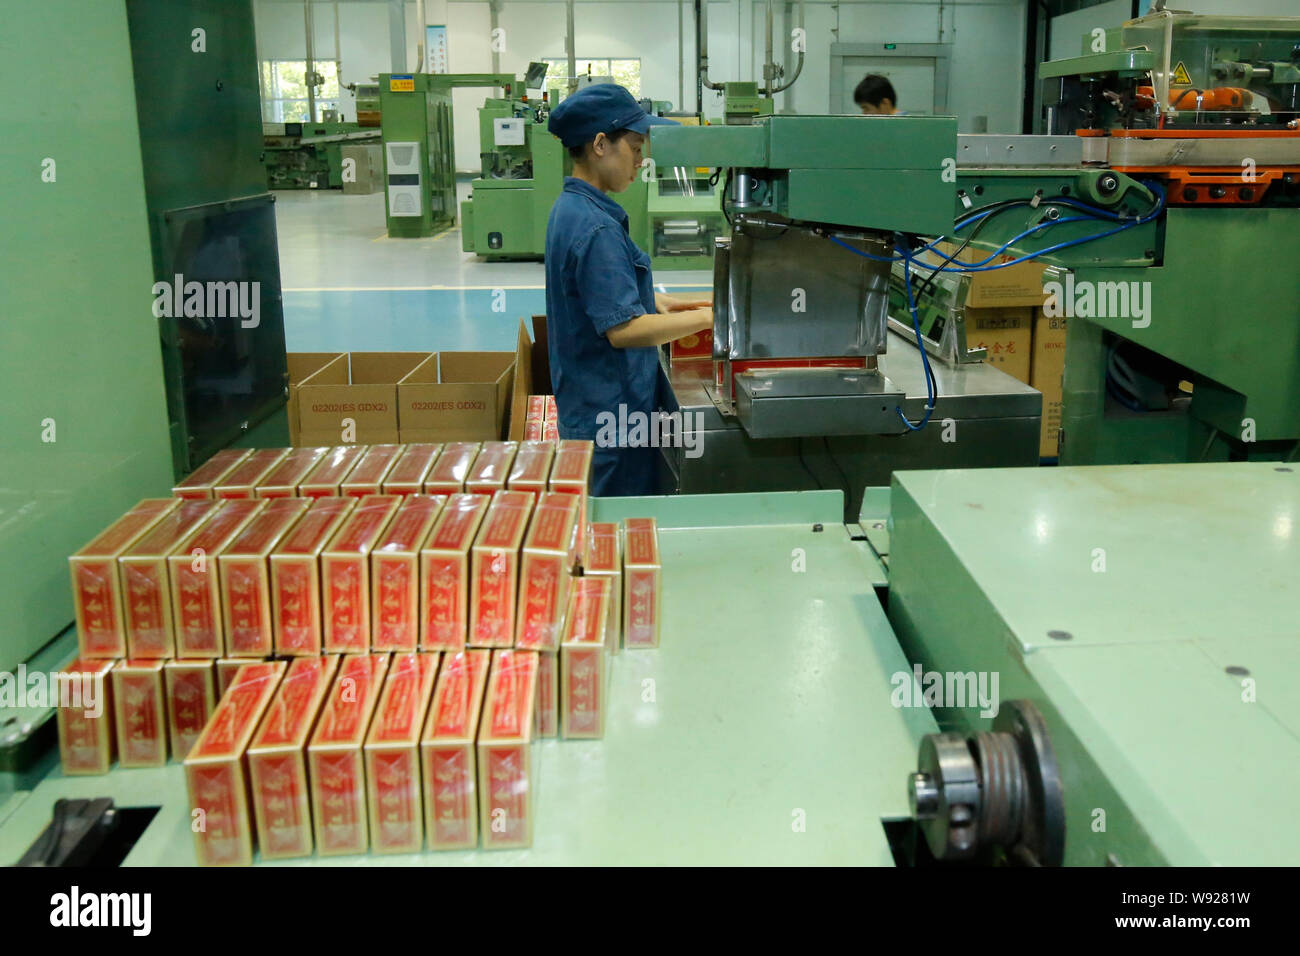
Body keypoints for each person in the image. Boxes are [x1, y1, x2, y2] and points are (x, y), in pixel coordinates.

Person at [544, 84, 712, 497]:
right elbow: (624, 329)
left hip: (590, 406)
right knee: (616, 534)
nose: (641, 160)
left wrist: (681, 304)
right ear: (601, 144)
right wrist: (714, 318)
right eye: (635, 147)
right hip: (613, 422)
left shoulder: (572, 208)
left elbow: (608, 292)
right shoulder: (596, 228)